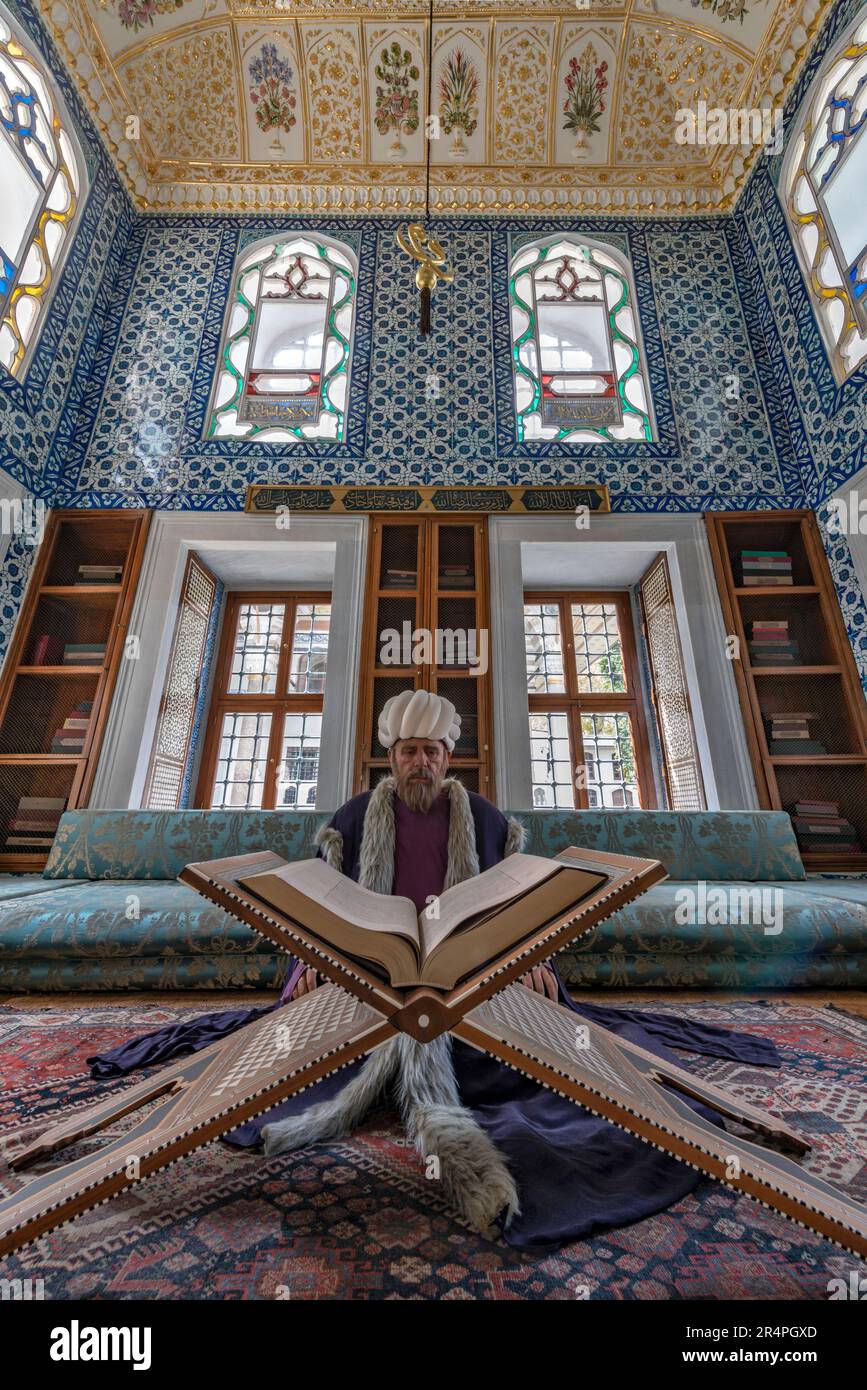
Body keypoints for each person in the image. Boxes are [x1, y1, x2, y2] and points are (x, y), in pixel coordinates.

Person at [90, 690, 781, 1252]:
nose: (418, 762)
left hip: (469, 972)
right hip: (371, 971)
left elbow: (520, 902)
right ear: (389, 757)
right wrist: (309, 959)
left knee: (534, 1053)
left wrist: (532, 957)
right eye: (406, 752)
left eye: (430, 751)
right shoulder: (353, 817)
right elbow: (318, 900)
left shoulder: (484, 819)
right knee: (299, 1043)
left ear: (449, 757)